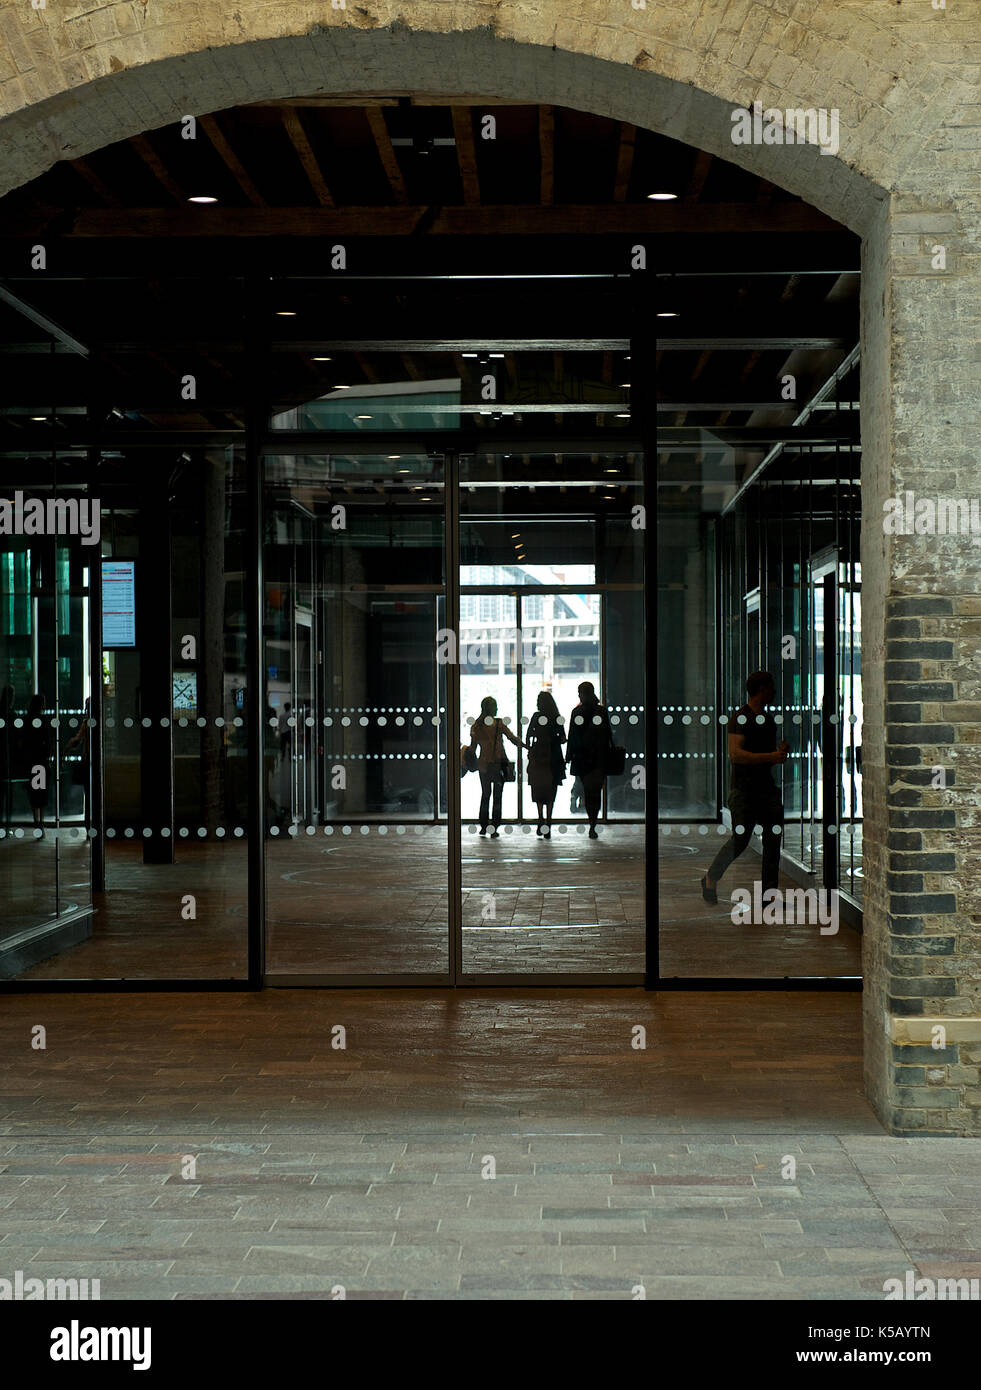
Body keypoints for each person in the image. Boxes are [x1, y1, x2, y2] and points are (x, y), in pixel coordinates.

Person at [701, 670, 788, 905]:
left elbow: (765, 756)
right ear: (761, 689)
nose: (775, 691)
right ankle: (710, 878)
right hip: (744, 790)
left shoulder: (768, 721)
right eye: (771, 687)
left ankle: (769, 895)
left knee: (773, 839)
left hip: (766, 788)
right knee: (740, 840)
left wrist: (778, 754)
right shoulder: (740, 718)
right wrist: (771, 755)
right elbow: (735, 755)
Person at [469, 695, 524, 838]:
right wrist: (525, 745)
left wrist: (468, 761)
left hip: (483, 765)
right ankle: (494, 827)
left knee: (485, 794)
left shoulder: (476, 725)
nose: (497, 708)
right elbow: (512, 738)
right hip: (498, 763)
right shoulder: (499, 724)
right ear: (491, 708)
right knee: (498, 796)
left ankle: (483, 825)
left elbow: (473, 748)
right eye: (495, 706)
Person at [566, 681, 613, 838]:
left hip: (582, 758)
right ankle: (593, 822)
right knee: (596, 792)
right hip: (599, 757)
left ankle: (591, 822)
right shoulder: (601, 711)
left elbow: (572, 736)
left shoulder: (577, 712)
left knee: (587, 791)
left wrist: (569, 755)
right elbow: (608, 734)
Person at [526, 690, 566, 838]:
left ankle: (541, 819)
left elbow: (529, 734)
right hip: (554, 757)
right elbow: (563, 738)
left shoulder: (536, 717)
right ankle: (548, 820)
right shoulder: (557, 717)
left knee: (538, 789)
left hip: (538, 757)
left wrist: (532, 747)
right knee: (551, 790)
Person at [22, 692, 52, 836]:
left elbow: (25, 741)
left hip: (32, 760)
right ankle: (41, 821)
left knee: (34, 791)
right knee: (42, 791)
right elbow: (47, 740)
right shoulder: (43, 720)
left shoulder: (28, 719)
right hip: (41, 759)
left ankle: (36, 821)